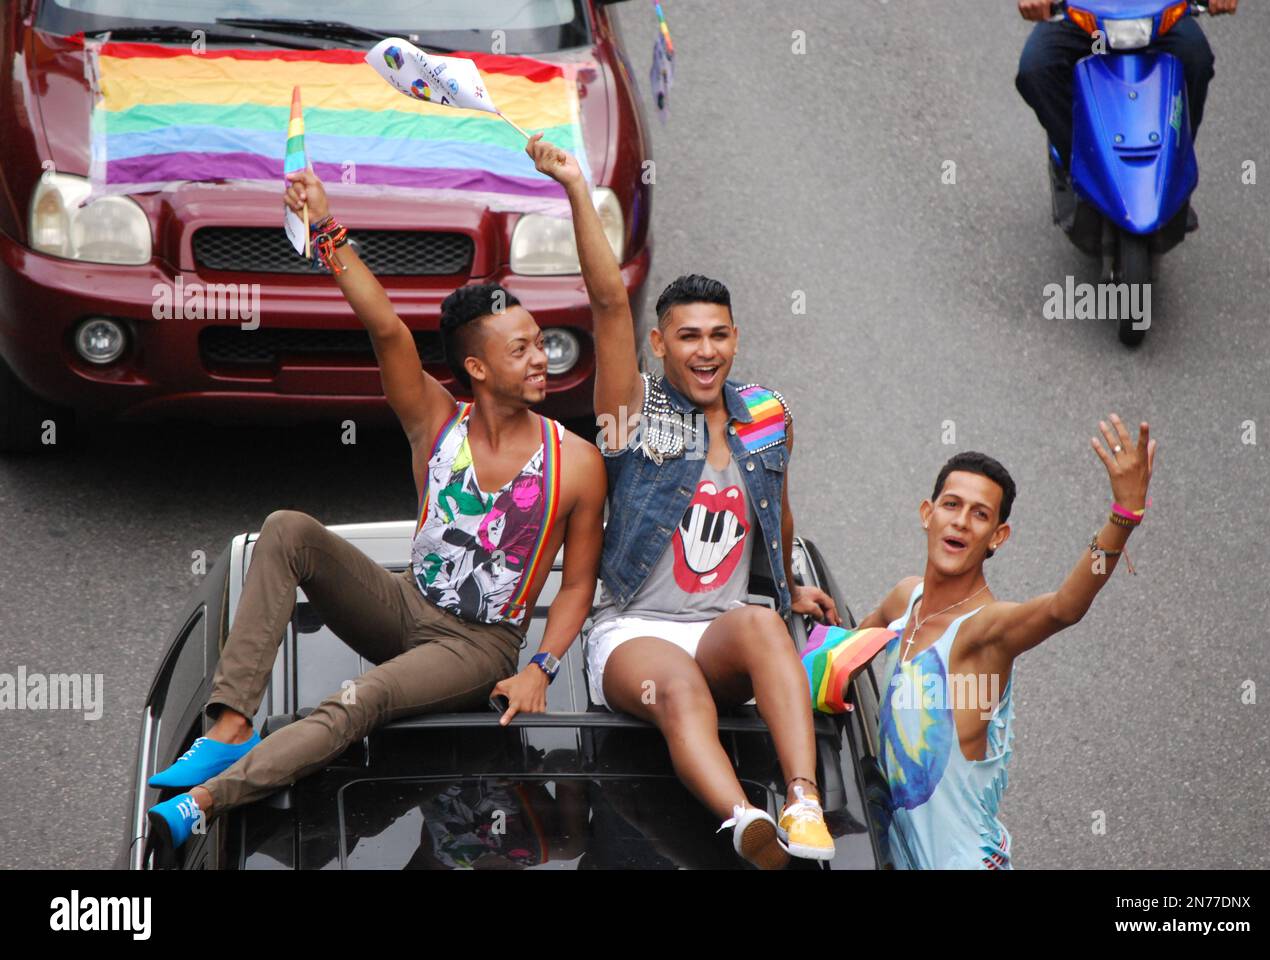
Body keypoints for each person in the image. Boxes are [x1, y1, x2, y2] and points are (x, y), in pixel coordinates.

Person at [143, 168, 606, 864]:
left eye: (540, 342)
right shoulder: (437, 423)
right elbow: (385, 326)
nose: (541, 358)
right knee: (287, 528)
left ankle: (205, 802)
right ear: (477, 368)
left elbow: (577, 585)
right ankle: (231, 726)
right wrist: (328, 231)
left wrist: (541, 665)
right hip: (402, 604)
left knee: (355, 701)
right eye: (522, 349)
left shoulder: (575, 462)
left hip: (478, 648)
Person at [526, 133, 841, 869]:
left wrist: (789, 579)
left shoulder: (768, 414)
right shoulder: (632, 413)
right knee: (674, 686)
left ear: (737, 339)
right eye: (688, 337)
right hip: (633, 632)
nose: (706, 350)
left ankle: (801, 800)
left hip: (720, 632)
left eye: (719, 335)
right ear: (660, 345)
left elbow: (777, 511)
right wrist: (577, 187)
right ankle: (743, 820)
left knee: (766, 627)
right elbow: (608, 302)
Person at [857, 415, 1155, 868]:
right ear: (927, 513)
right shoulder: (905, 598)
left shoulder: (983, 632)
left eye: (980, 515)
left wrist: (1123, 518)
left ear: (998, 537)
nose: (961, 522)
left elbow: (1063, 608)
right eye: (951, 505)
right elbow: (846, 651)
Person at [1015, 0, 1236, 171]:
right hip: (1087, 23)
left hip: (1158, 16)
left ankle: (1175, 169)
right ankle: (1080, 163)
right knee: (1036, 69)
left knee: (1196, 60)